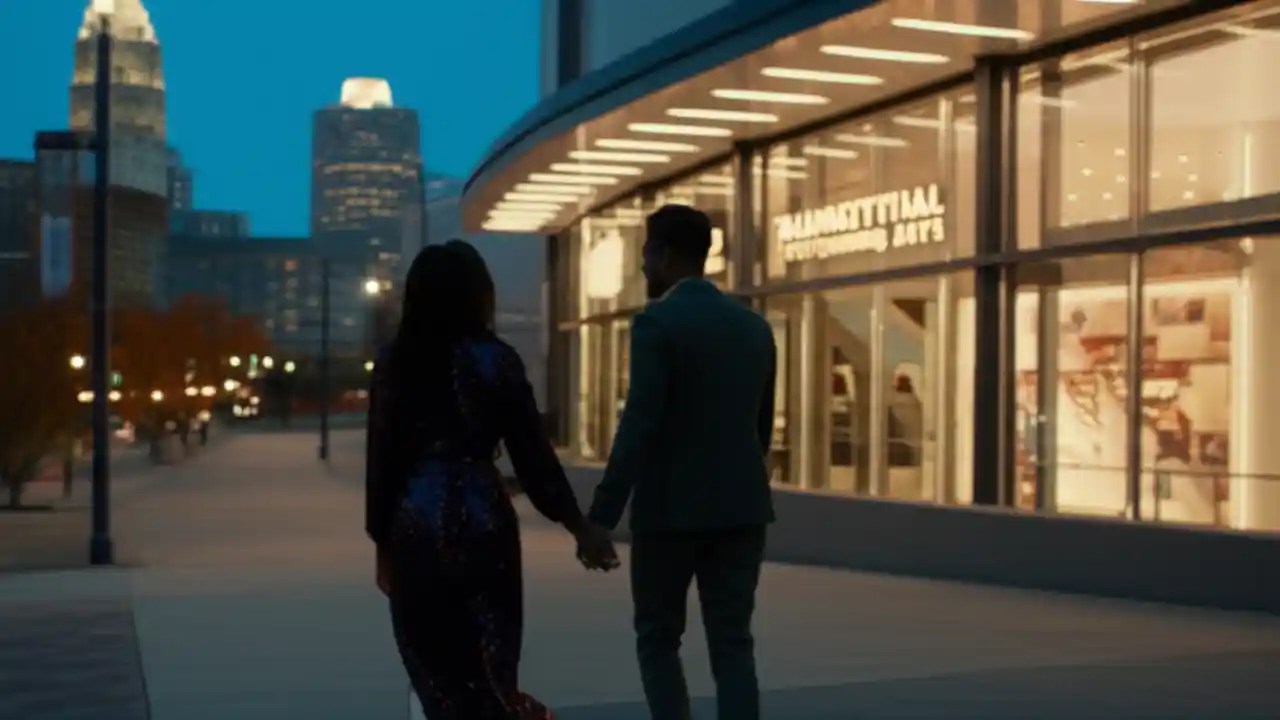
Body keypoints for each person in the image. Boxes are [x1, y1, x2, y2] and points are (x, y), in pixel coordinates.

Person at [366, 240, 618, 720]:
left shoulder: (396, 364)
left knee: (436, 675)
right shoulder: (496, 359)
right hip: (484, 518)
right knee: (490, 667)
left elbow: (383, 463)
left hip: (416, 522)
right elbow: (533, 456)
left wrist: (383, 545)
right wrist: (577, 525)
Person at [584, 205, 777, 720]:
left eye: (646, 254)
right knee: (733, 645)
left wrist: (602, 515)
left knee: (658, 639)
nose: (644, 268)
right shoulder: (755, 328)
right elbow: (760, 429)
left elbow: (639, 425)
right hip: (742, 510)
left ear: (664, 255)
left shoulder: (657, 323)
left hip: (670, 513)